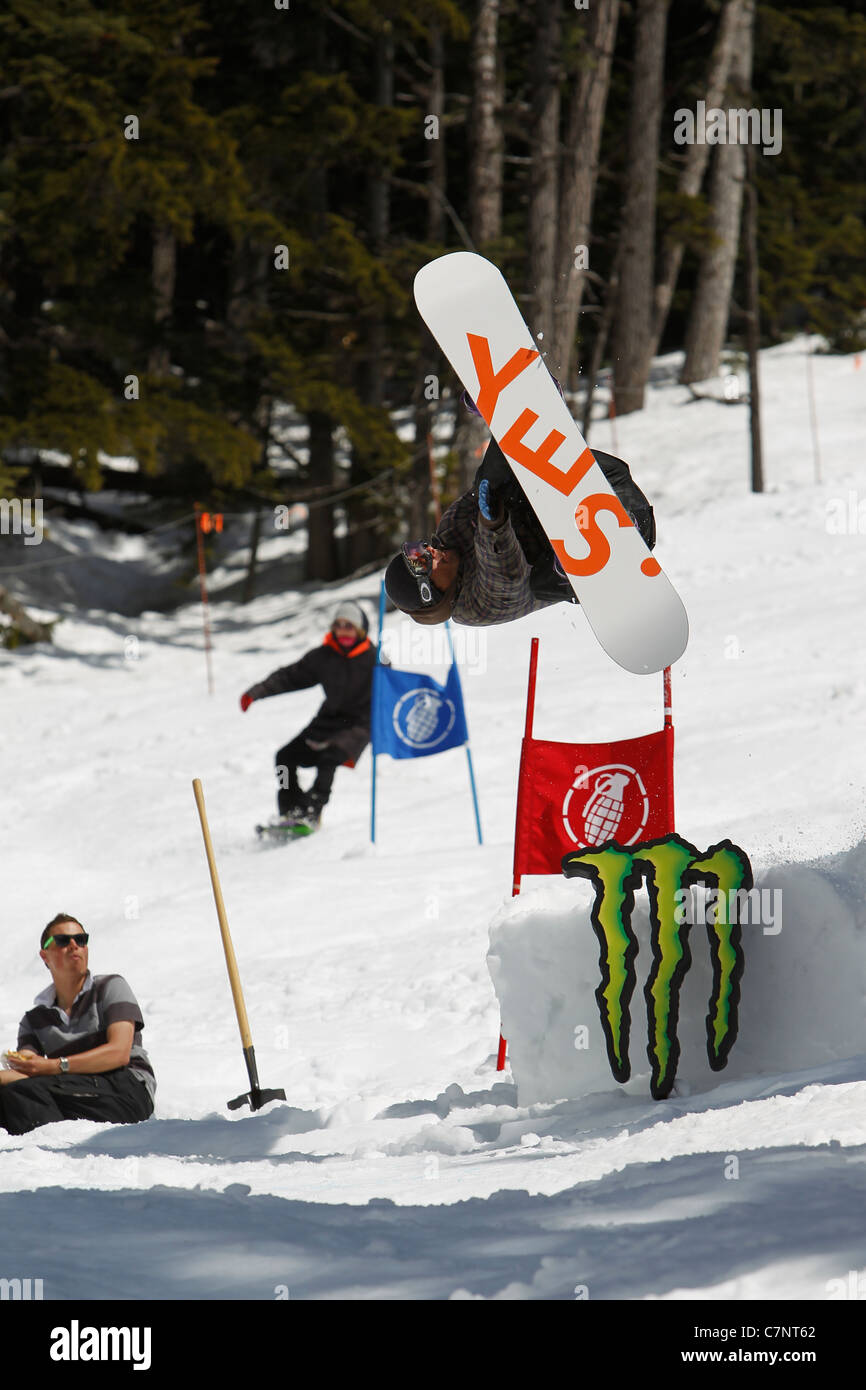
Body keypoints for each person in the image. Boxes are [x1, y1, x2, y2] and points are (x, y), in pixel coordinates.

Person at [385, 394, 656, 627]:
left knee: (488, 484)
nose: (428, 550)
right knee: (541, 582)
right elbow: (506, 577)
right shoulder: (475, 608)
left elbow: (488, 487)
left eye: (416, 550)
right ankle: (611, 541)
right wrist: (492, 526)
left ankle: (519, 414)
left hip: (587, 491)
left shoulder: (449, 531)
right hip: (584, 551)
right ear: (432, 591)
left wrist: (501, 418)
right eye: (421, 561)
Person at [0, 914, 155, 1136]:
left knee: (24, 1092)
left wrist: (54, 1066)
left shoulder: (110, 987)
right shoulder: (34, 1019)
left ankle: (50, 1149)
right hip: (72, 1089)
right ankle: (43, 1150)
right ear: (44, 956)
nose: (75, 946)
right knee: (10, 1096)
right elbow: (29, 1069)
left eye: (81, 940)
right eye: (63, 941)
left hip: (126, 1087)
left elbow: (118, 1053)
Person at [240, 600, 374, 827]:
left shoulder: (375, 659)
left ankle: (313, 809)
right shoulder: (323, 656)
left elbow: (396, 691)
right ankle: (289, 809)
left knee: (328, 758)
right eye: (338, 625)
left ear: (360, 630)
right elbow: (290, 676)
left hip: (358, 725)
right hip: (327, 722)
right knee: (283, 759)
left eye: (349, 626)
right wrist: (256, 692)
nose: (342, 630)